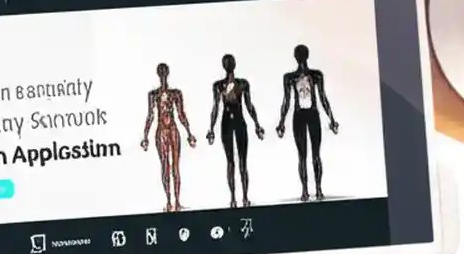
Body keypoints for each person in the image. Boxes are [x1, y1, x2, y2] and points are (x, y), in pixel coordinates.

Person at [276, 44, 339, 201]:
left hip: (311, 115)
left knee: (312, 155)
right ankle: (308, 190)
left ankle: (316, 189)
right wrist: (282, 121)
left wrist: (332, 118)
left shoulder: (315, 75)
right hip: (301, 116)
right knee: (305, 155)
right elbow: (287, 101)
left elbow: (322, 98)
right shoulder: (291, 78)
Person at [206, 54, 265, 207]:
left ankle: (245, 196)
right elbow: (215, 108)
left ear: (234, 64)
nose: (229, 64)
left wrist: (257, 124)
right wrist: (211, 128)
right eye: (226, 62)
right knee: (230, 162)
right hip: (226, 122)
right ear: (223, 65)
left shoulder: (243, 84)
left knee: (242, 162)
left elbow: (249, 105)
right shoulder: (218, 85)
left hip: (239, 121)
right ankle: (233, 197)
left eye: (230, 62)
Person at [141, 63, 198, 212]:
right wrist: (145, 136)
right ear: (158, 74)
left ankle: (177, 201)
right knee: (165, 166)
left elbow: (181, 114)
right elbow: (151, 115)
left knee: (175, 167)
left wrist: (189, 133)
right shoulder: (153, 95)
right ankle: (168, 201)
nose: (163, 73)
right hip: (161, 130)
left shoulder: (175, 93)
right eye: (160, 71)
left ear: (167, 72)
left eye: (164, 71)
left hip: (172, 128)